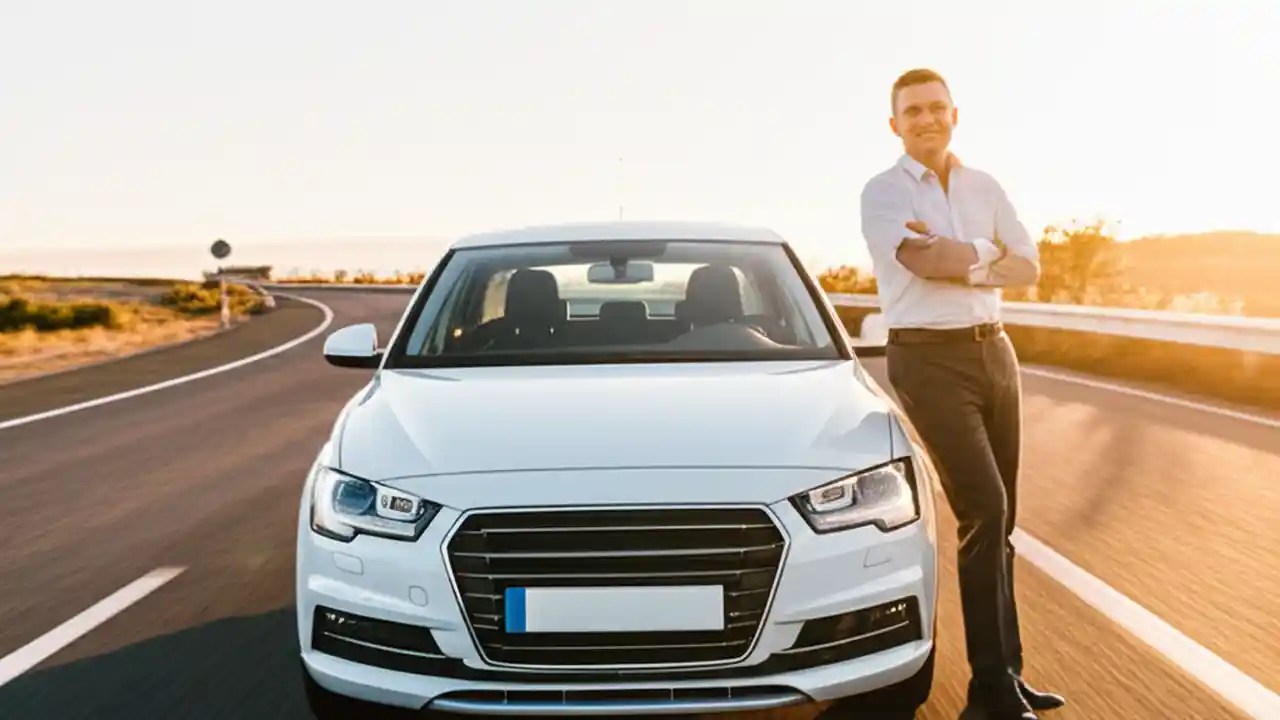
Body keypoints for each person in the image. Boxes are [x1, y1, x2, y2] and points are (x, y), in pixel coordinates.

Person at [859, 68, 1066, 720]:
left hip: (995, 352)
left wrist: (963, 255)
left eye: (936, 108)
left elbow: (1029, 265)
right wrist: (984, 256)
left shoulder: (985, 186)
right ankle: (990, 691)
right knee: (984, 506)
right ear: (895, 125)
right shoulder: (883, 193)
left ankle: (1005, 675)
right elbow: (922, 261)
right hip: (927, 359)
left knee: (1003, 520)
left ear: (955, 115)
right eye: (912, 111)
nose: (926, 119)